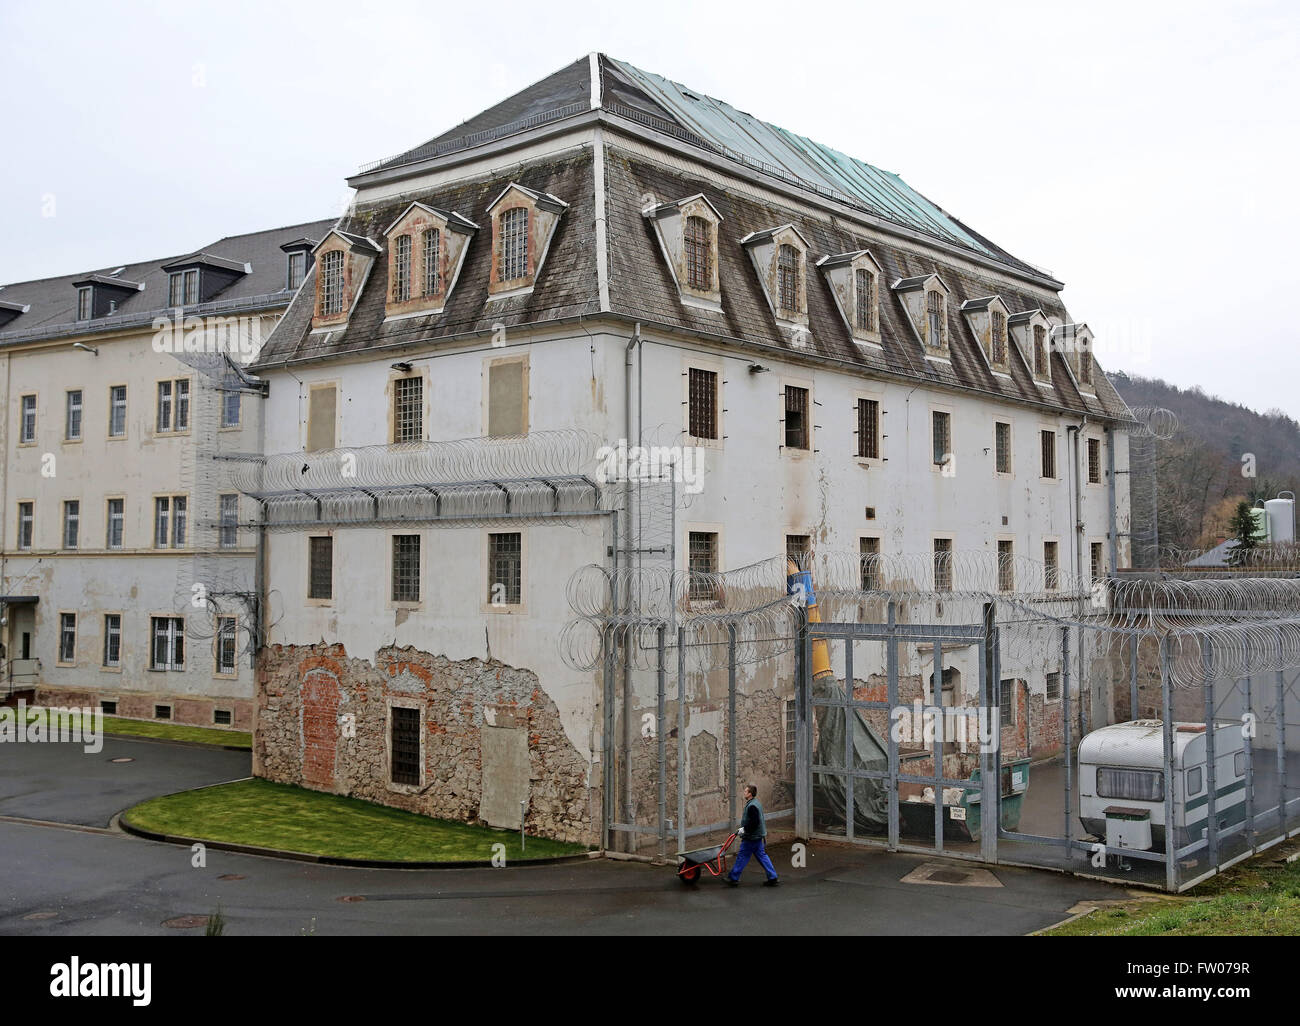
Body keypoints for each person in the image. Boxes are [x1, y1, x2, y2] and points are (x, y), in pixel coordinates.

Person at [727, 783, 779, 886]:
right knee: (762, 856)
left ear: (750, 794)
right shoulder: (755, 803)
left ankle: (733, 878)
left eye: (746, 791)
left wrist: (744, 830)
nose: (744, 793)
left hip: (751, 837)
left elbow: (754, 822)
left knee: (742, 856)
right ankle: (773, 877)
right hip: (757, 836)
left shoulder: (752, 806)